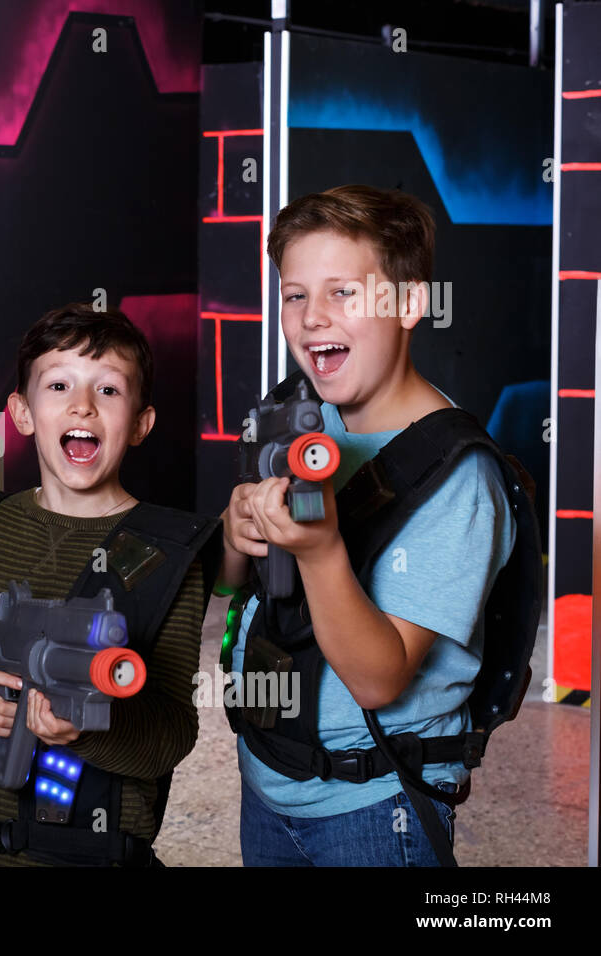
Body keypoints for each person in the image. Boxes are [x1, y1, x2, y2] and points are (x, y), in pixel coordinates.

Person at [219, 185, 522, 866]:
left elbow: (379, 680)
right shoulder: (298, 410)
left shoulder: (457, 479)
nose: (311, 316)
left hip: (375, 810)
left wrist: (323, 552)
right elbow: (231, 587)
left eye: (343, 293)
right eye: (294, 294)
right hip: (270, 780)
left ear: (410, 303)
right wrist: (237, 532)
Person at [0, 304, 219, 866]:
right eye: (59, 384)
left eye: (109, 391)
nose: (82, 405)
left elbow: (170, 733)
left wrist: (88, 731)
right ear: (21, 412)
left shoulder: (165, 554)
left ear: (141, 422)